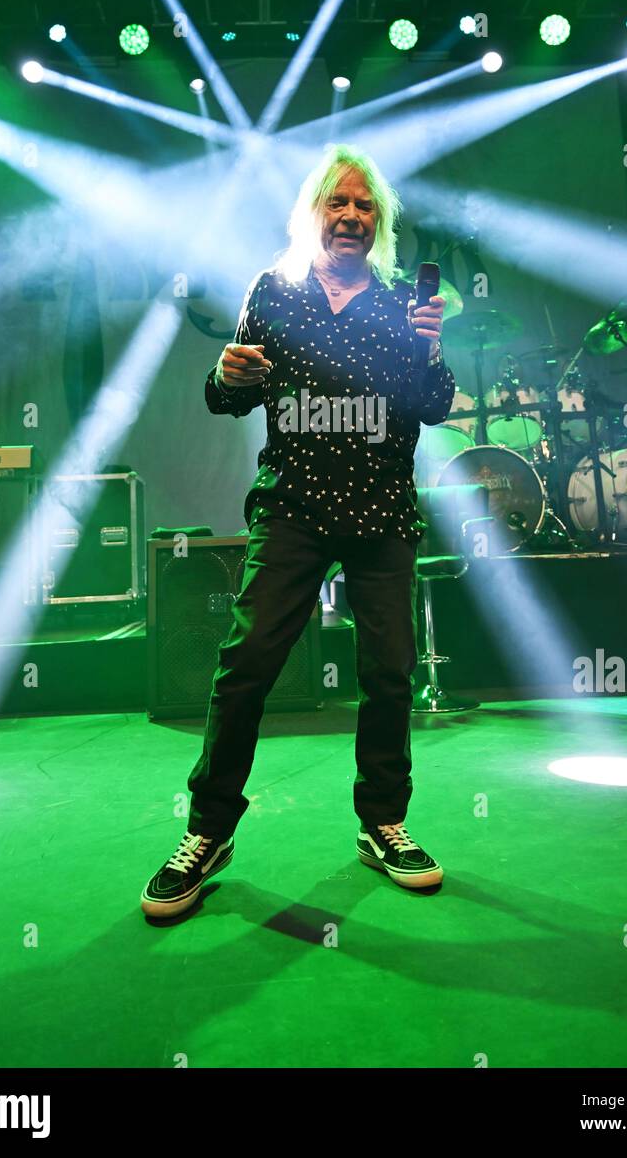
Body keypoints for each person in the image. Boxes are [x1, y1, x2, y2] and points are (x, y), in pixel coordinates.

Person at [141, 145, 456, 918]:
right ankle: (209, 831)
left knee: (388, 672)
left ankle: (383, 822)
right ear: (312, 213)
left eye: (364, 206)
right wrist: (225, 375)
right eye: (336, 203)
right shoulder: (273, 292)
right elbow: (230, 398)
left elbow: (434, 406)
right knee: (245, 664)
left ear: (378, 221)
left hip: (381, 509)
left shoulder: (396, 300)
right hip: (295, 508)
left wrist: (433, 350)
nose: (350, 216)